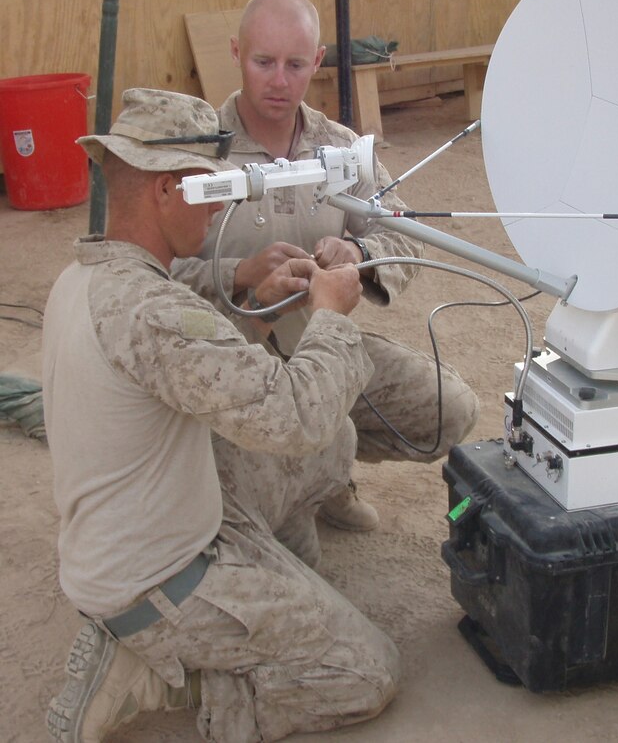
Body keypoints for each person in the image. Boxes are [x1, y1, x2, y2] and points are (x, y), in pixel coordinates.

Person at [43, 88, 400, 742]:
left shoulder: (91, 277)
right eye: (209, 190)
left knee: (334, 447)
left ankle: (272, 567)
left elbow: (184, 361)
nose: (219, 208)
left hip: (148, 529)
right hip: (158, 580)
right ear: (165, 190)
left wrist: (255, 300)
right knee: (365, 671)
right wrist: (330, 316)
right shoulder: (153, 312)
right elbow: (296, 417)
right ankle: (157, 676)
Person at [172, 0, 479, 534]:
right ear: (236, 53)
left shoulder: (340, 149)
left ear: (317, 61)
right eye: (263, 62)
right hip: (232, 367)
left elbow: (405, 232)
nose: (279, 80)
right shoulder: (197, 154)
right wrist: (240, 274)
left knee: (448, 412)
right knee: (272, 534)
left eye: (295, 65)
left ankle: (325, 476)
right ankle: (294, 478)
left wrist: (358, 253)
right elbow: (150, 274)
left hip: (324, 347)